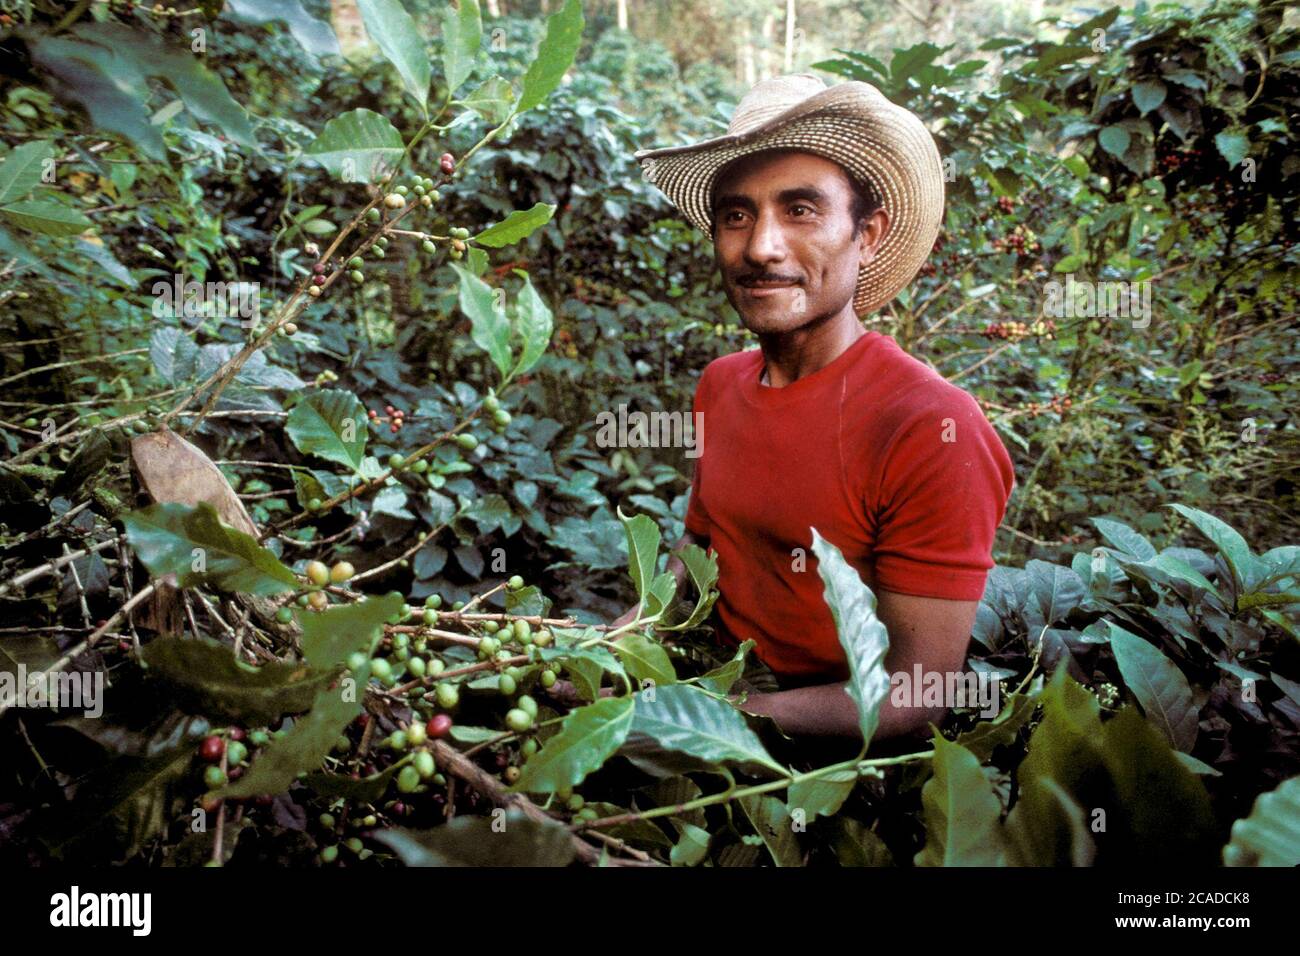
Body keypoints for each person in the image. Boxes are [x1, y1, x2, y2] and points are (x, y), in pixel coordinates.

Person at [569, 74, 1015, 752]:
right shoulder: (721, 384)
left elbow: (913, 694)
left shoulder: (930, 426)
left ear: (868, 236)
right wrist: (610, 648)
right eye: (736, 216)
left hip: (828, 764)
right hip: (712, 693)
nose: (760, 248)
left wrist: (687, 719)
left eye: (801, 210)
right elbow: (700, 551)